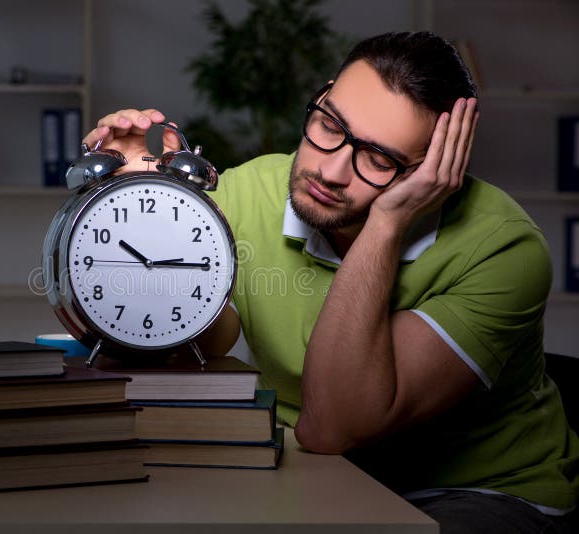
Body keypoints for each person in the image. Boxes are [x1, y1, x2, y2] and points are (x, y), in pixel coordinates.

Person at [81, 31, 579, 533]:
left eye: (379, 160)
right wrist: (139, 191)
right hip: (309, 473)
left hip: (477, 489)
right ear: (322, 96)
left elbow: (333, 425)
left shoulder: (503, 248)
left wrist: (387, 223)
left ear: (435, 172)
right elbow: (191, 339)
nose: (333, 169)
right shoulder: (251, 189)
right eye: (329, 123)